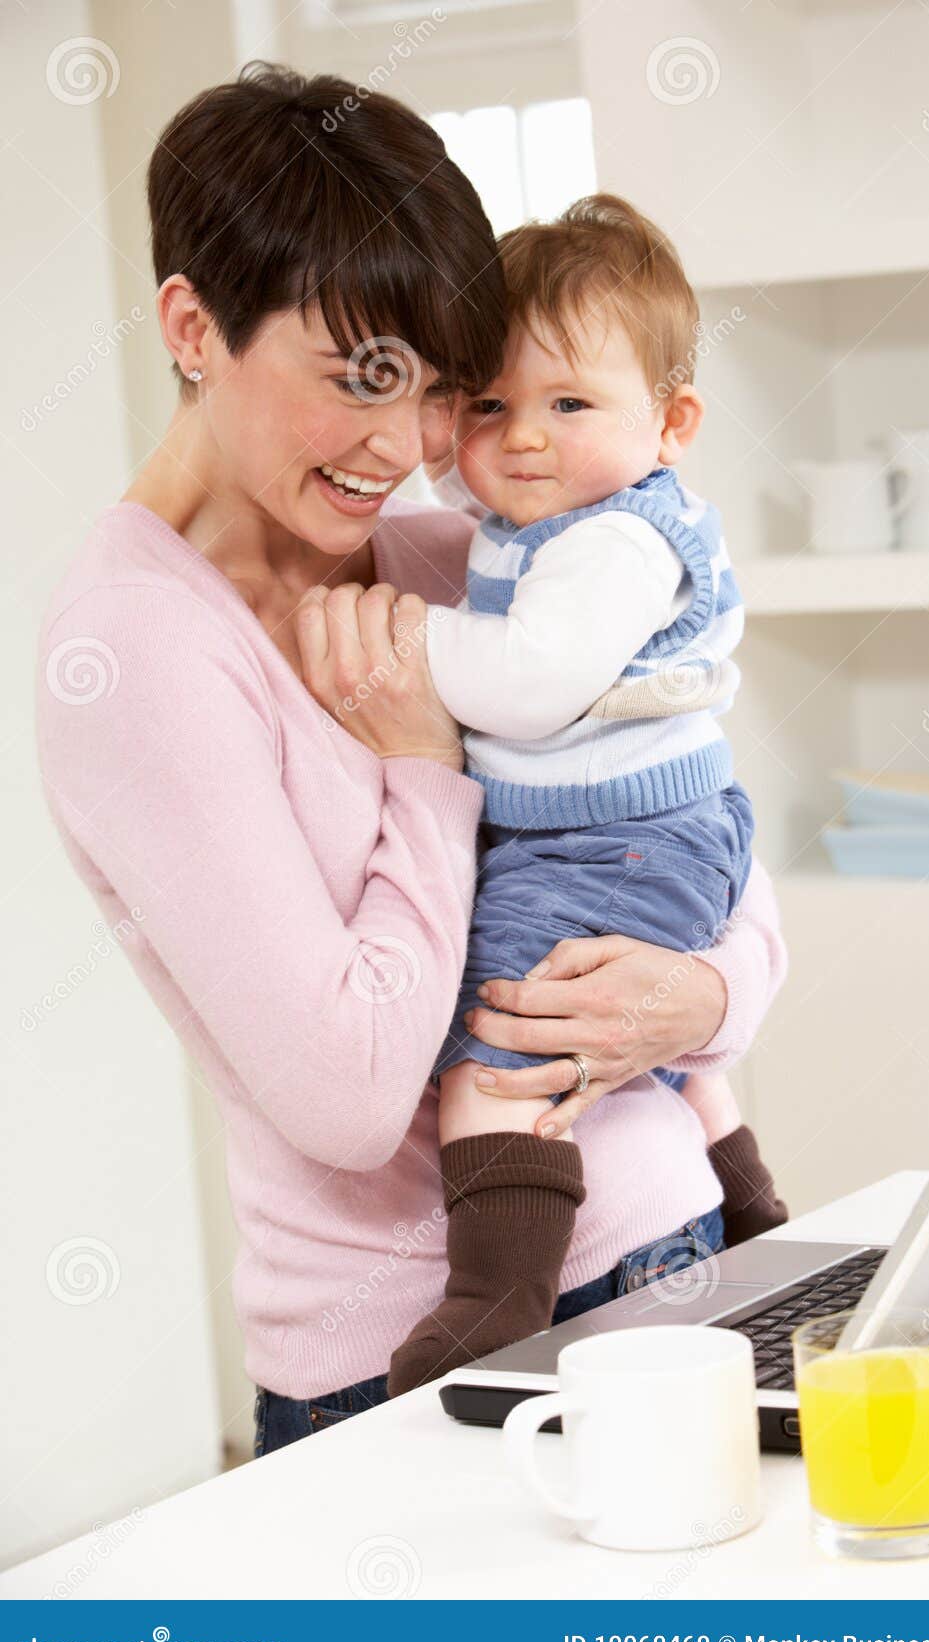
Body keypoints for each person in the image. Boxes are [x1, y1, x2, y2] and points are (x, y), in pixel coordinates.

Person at [36, 64, 787, 1458]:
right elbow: (348, 1089)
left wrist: (699, 996)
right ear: (194, 326)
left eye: (440, 387)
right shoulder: (136, 653)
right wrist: (427, 772)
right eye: (361, 379)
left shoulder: (455, 558)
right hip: (417, 1369)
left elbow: (705, 833)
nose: (412, 447)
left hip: (670, 1263)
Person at [388, 196, 784, 1396]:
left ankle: (494, 1290)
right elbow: (455, 487)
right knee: (639, 1032)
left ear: (669, 424)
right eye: (487, 404)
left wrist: (412, 643)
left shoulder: (613, 540)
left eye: (568, 404)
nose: (520, 440)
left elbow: (526, 683)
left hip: (612, 841)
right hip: (644, 835)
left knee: (504, 1034)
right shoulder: (537, 512)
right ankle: (747, 1195)